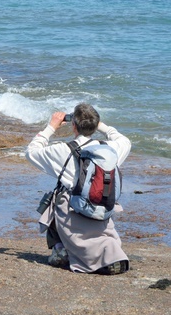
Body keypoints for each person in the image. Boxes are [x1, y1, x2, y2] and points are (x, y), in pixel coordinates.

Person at [25, 102, 131, 274]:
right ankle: (109, 255)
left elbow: (32, 151)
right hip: (102, 208)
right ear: (95, 126)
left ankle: (60, 249)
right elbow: (123, 140)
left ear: (73, 125)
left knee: (55, 198)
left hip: (73, 210)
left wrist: (51, 127)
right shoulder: (110, 149)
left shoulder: (62, 150)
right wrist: (102, 126)